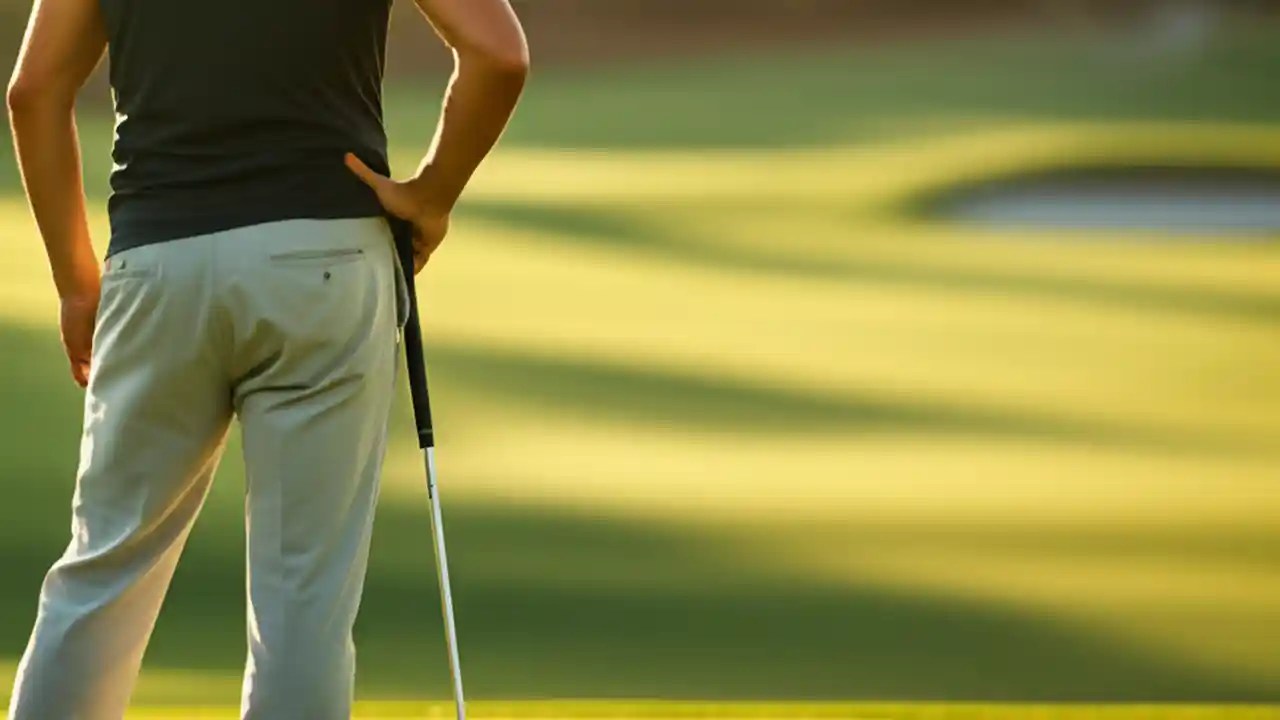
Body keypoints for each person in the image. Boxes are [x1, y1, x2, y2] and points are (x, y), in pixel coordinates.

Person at [5, 0, 528, 715]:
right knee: (302, 609)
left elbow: (33, 91)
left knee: (101, 580)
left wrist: (75, 284)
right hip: (325, 261)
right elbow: (499, 54)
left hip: (157, 261)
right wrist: (431, 196)